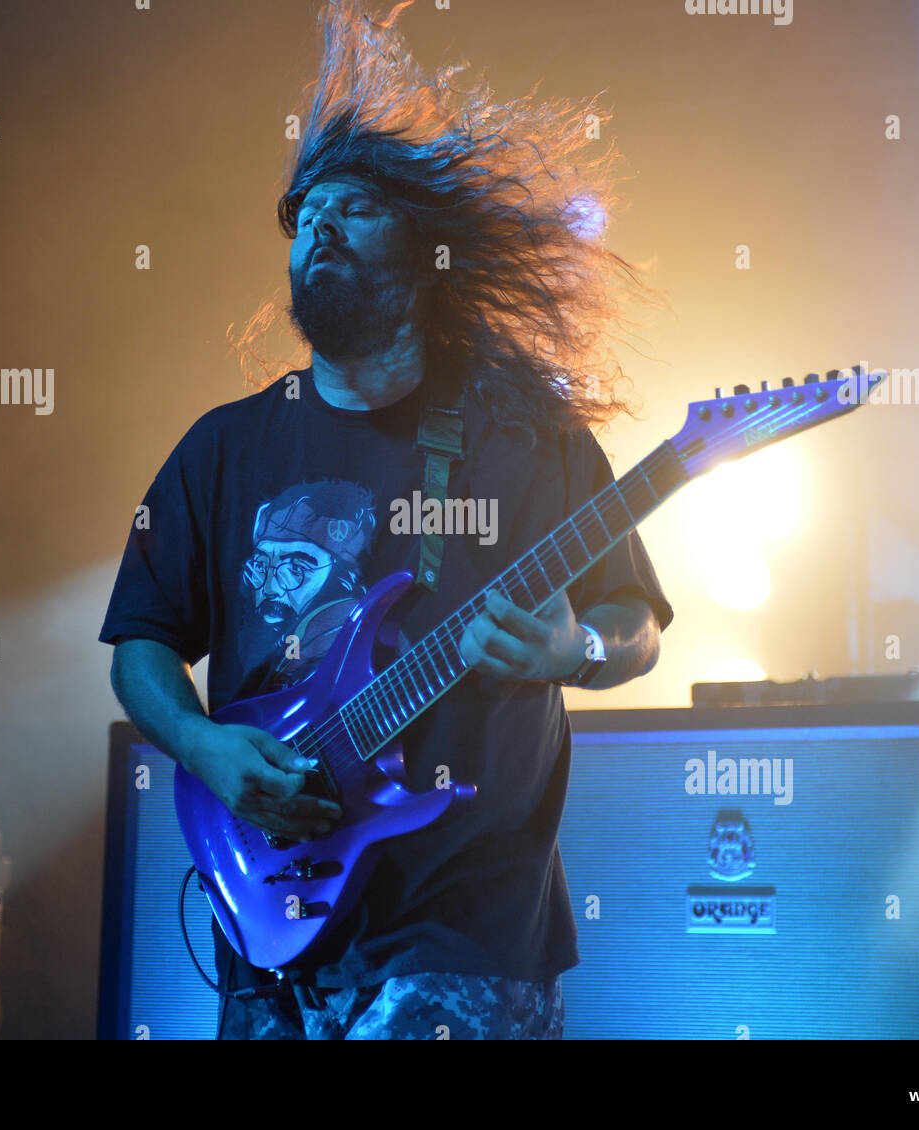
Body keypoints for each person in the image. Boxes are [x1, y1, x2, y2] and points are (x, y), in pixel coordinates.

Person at [99, 0, 673, 1040]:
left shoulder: (521, 435)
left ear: (422, 252)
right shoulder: (225, 445)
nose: (318, 224)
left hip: (463, 927)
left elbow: (635, 617)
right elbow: (139, 640)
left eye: (353, 208)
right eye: (305, 211)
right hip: (275, 914)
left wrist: (575, 645)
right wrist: (204, 747)